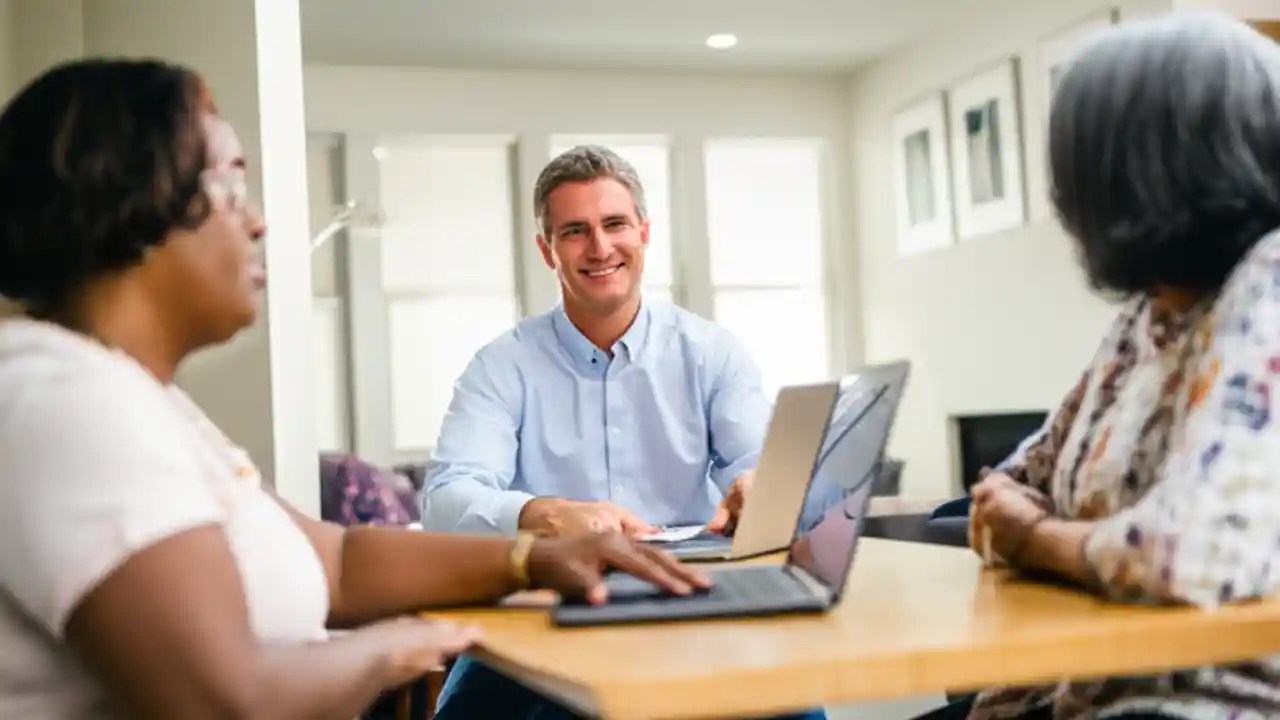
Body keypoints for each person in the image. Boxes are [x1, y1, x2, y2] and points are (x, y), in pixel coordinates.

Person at [0, 58, 710, 719]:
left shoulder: (142, 402)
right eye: (230, 184)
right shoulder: (63, 400)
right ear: (135, 200)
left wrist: (533, 558)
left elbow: (339, 561)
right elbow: (222, 702)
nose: (257, 220)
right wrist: (399, 646)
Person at [922, 13, 1280, 720]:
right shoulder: (1150, 312)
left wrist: (1040, 540)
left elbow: (1193, 556)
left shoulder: (1268, 285)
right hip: (1082, 683)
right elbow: (1011, 488)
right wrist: (1038, 530)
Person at [424, 147, 824, 718]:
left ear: (643, 231)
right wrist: (550, 513)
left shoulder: (711, 352)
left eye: (614, 225)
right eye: (574, 232)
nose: (600, 247)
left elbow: (760, 467)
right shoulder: (499, 365)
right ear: (547, 250)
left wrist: (761, 489)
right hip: (543, 606)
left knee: (793, 707)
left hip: (691, 598)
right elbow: (446, 500)